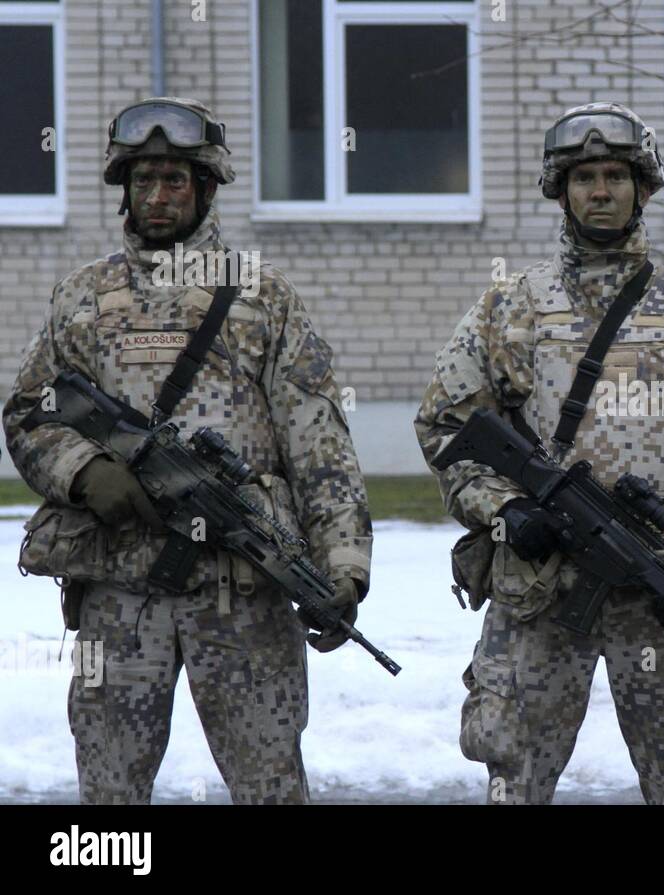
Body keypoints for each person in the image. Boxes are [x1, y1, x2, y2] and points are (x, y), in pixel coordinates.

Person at [3, 97, 372, 804]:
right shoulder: (83, 298)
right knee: (109, 793)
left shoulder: (264, 298)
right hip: (119, 590)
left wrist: (344, 567)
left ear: (205, 187)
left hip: (244, 594)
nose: (158, 195)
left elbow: (321, 443)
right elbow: (30, 412)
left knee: (270, 785)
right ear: (124, 188)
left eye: (175, 179)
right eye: (144, 180)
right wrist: (86, 472)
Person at [414, 102, 664, 804]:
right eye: (584, 178)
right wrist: (507, 509)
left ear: (641, 188)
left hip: (656, 580)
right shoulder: (512, 306)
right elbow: (445, 423)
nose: (599, 191)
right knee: (515, 774)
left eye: (614, 176)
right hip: (540, 589)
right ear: (561, 189)